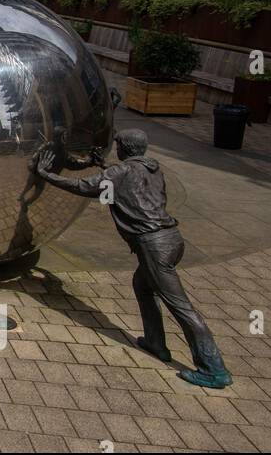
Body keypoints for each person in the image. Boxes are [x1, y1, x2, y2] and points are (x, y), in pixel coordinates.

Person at [33, 129, 232, 389]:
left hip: (152, 245)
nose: (116, 150)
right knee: (142, 286)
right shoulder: (152, 169)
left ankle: (213, 370)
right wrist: (101, 164)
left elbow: (85, 187)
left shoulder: (120, 173)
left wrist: (46, 174)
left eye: (118, 146)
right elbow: (124, 181)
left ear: (124, 148)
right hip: (172, 239)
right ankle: (155, 342)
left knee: (181, 307)